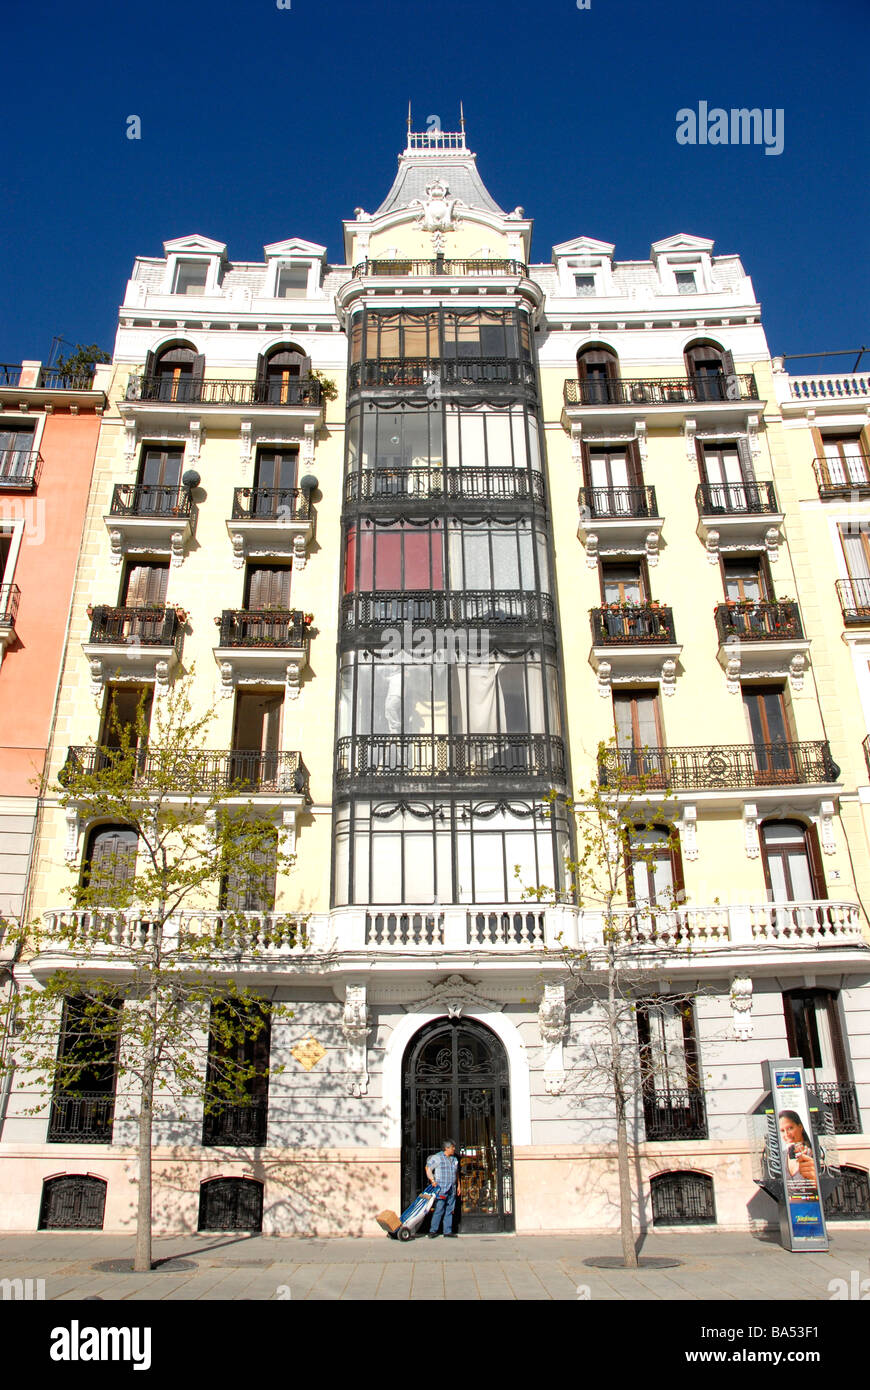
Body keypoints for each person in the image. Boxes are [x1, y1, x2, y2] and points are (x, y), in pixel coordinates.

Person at [426, 1138, 460, 1237]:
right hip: (441, 1188)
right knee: (439, 1209)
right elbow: (428, 1168)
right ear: (447, 1148)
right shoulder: (437, 1158)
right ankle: (433, 1230)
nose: (454, 1149)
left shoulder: (454, 1159)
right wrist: (432, 1180)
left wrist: (459, 1186)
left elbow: (456, 1173)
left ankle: (447, 1231)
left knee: (450, 1210)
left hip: (452, 1188)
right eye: (452, 1147)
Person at [779, 1110, 817, 1186]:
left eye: (790, 1128)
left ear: (800, 1127)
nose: (787, 1134)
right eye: (782, 1130)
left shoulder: (814, 1154)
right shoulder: (780, 1157)